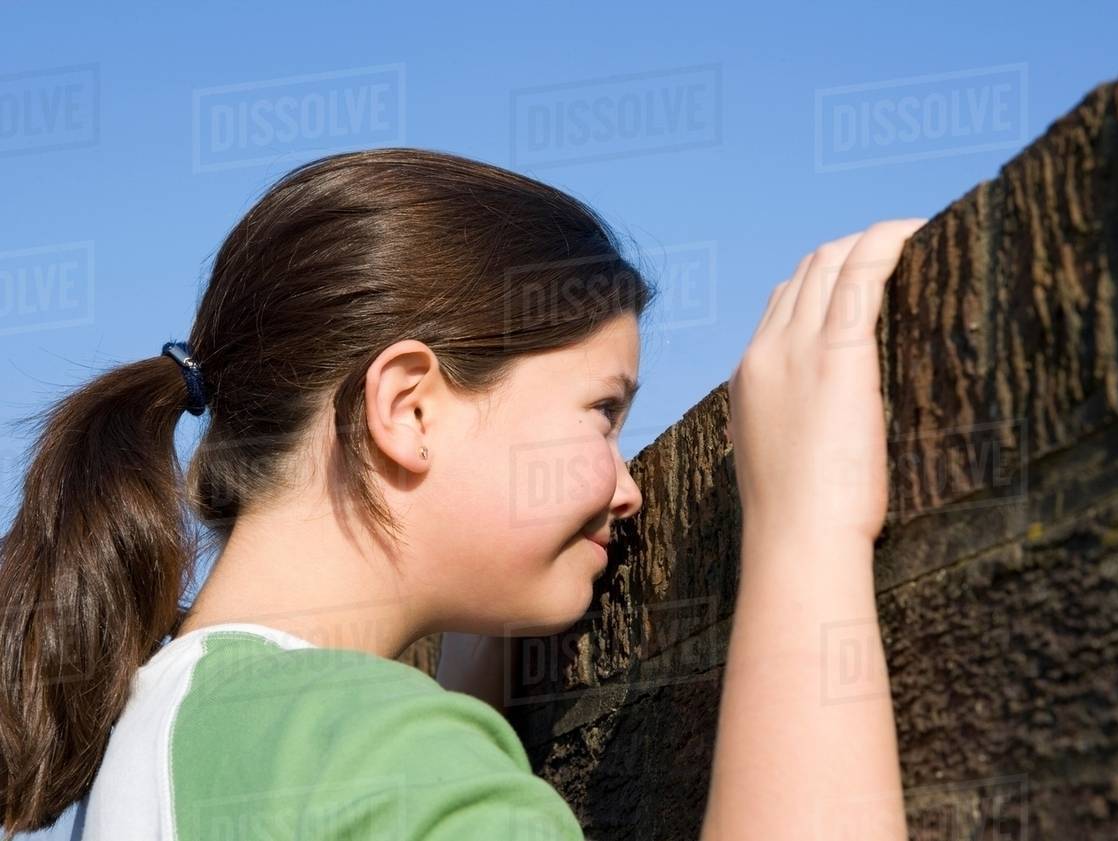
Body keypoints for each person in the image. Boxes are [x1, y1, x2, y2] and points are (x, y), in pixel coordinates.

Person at [0, 146, 922, 839]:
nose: (629, 487)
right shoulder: (376, 755)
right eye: (603, 413)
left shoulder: (184, 723)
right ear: (409, 408)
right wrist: (806, 528)